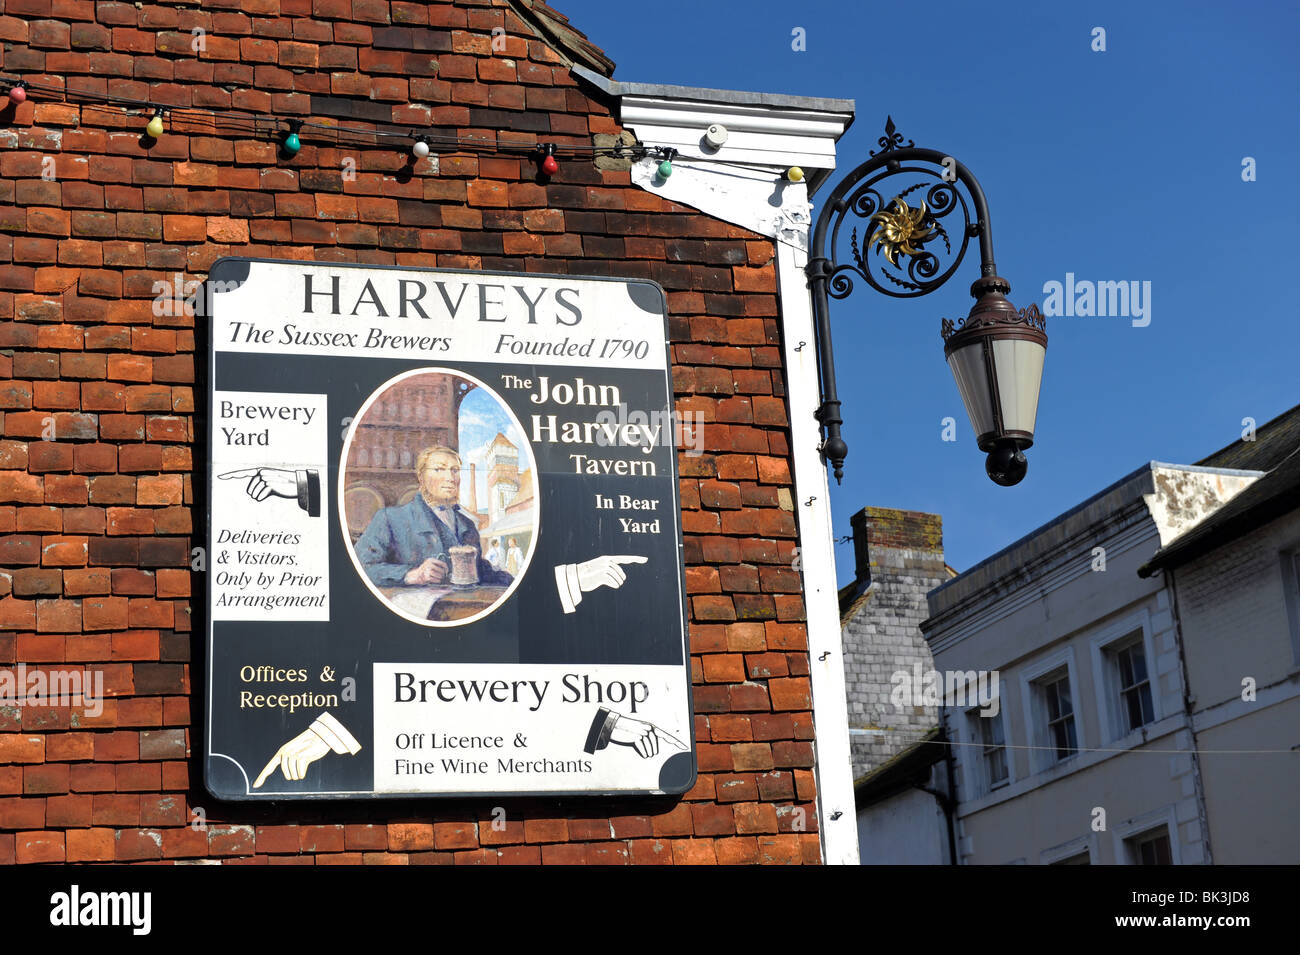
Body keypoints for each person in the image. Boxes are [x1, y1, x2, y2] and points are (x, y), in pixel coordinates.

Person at [354, 446, 512, 589]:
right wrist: (412, 574)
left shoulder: (468, 525)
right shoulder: (390, 518)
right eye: (439, 469)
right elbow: (361, 566)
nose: (450, 477)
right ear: (421, 477)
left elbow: (481, 571)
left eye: (455, 470)